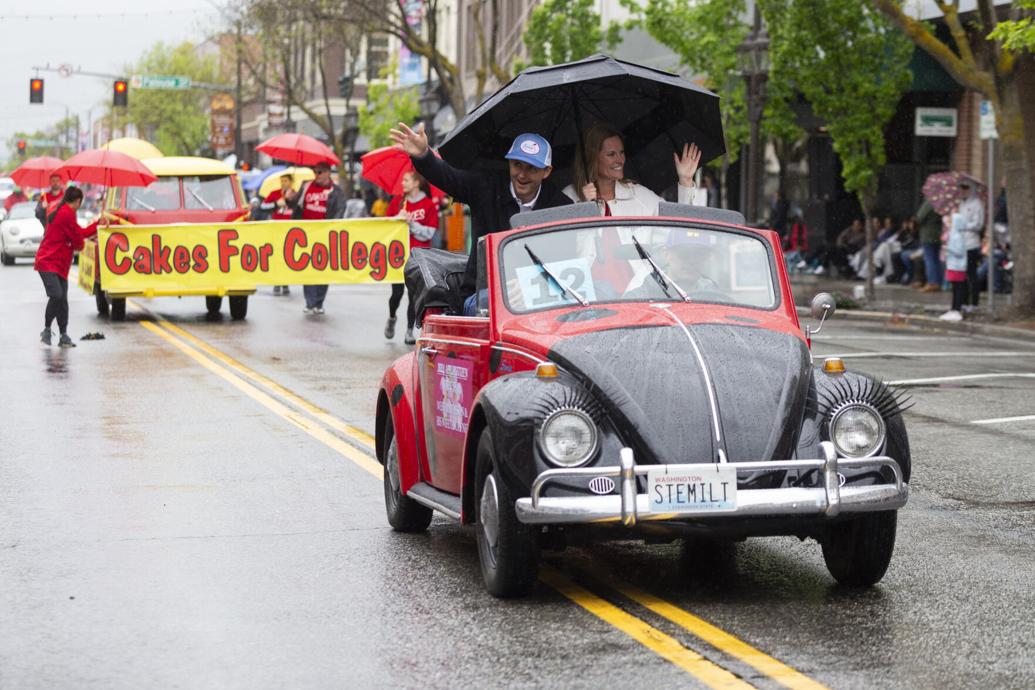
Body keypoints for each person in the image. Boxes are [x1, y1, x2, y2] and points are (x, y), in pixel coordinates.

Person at [390, 123, 572, 315]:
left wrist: (532, 283)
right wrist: (423, 155)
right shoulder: (486, 187)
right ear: (509, 162)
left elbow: (568, 257)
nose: (522, 175)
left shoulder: (560, 205)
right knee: (493, 303)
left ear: (547, 171)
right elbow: (448, 177)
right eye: (517, 164)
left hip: (541, 296)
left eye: (532, 168)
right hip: (481, 294)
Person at [563, 123, 701, 214]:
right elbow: (563, 247)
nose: (620, 160)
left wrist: (686, 181)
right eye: (611, 154)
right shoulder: (569, 197)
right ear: (591, 158)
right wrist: (584, 208)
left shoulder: (637, 194)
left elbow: (678, 227)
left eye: (621, 152)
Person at [34, 186, 99, 347]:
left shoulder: (63, 209)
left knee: (62, 299)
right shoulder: (66, 214)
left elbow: (77, 234)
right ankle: (47, 329)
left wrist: (97, 224)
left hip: (59, 263)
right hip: (48, 261)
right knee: (57, 295)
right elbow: (78, 239)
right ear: (78, 201)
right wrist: (84, 240)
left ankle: (64, 335)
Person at [385, 171, 439, 345]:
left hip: (418, 258)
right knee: (396, 294)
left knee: (414, 296)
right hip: (398, 258)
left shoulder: (429, 205)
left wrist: (411, 224)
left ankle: (409, 330)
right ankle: (392, 317)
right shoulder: (398, 202)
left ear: (416, 183)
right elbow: (385, 227)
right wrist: (397, 220)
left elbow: (429, 233)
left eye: (406, 180)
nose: (402, 183)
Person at [289, 162, 345, 314]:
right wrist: (289, 197)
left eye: (319, 172)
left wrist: (332, 228)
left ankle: (319, 302)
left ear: (327, 172)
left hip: (325, 236)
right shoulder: (306, 186)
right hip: (305, 235)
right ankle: (309, 302)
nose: (316, 175)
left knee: (323, 269)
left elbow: (340, 210)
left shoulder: (336, 191)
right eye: (314, 171)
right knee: (308, 268)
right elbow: (293, 204)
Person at [261, 173, 296, 296]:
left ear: (291, 182)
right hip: (276, 229)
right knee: (277, 257)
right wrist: (276, 203)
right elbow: (263, 206)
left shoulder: (295, 194)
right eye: (282, 181)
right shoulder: (275, 193)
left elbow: (299, 208)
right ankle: (277, 282)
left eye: (286, 181)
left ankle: (285, 282)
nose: (283, 183)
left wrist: (290, 200)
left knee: (287, 257)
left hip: (290, 230)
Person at [955, 180, 984, 313]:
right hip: (961, 244)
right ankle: (964, 302)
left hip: (971, 244)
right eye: (961, 188)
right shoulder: (961, 204)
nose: (963, 190)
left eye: (966, 188)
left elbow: (978, 224)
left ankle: (974, 303)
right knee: (962, 275)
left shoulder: (977, 204)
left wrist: (965, 226)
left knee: (971, 274)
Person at [915, 199, 943, 292]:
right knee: (936, 259)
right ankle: (938, 282)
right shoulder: (942, 202)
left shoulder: (929, 202)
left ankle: (932, 282)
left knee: (929, 259)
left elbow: (919, 217)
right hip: (938, 234)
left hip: (928, 234)